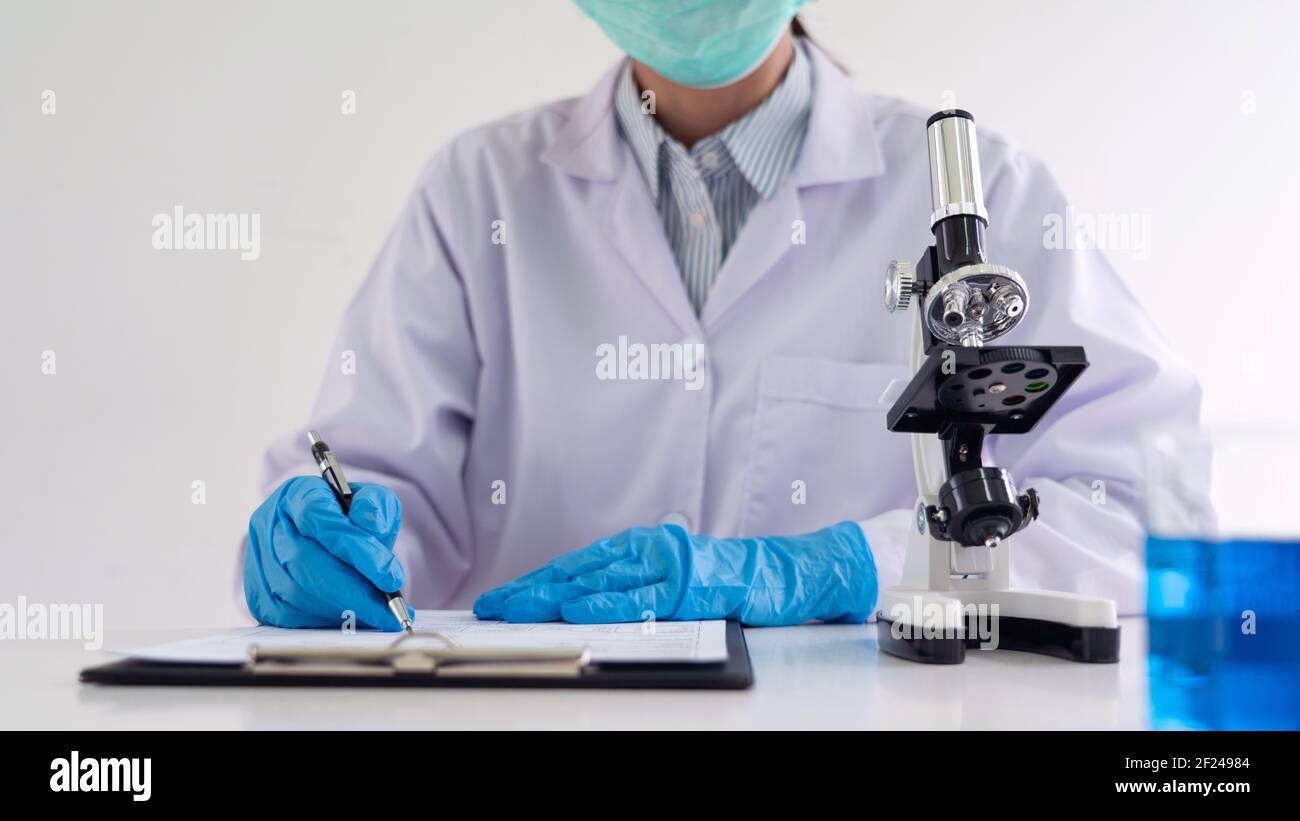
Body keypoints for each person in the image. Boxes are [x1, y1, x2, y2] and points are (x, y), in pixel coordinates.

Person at [242, 1, 1199, 631]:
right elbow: (377, 493)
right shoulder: (476, 193)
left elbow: (1150, 519)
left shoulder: (979, 188)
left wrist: (857, 566)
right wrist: (328, 547)